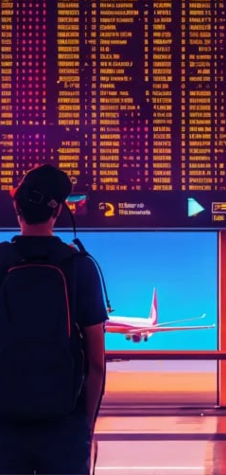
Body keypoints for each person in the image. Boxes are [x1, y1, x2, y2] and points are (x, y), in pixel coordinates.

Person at [0, 165, 108, 474]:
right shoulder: (80, 266)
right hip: (64, 425)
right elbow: (96, 364)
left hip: (4, 425)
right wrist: (83, 428)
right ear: (58, 211)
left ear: (16, 206)